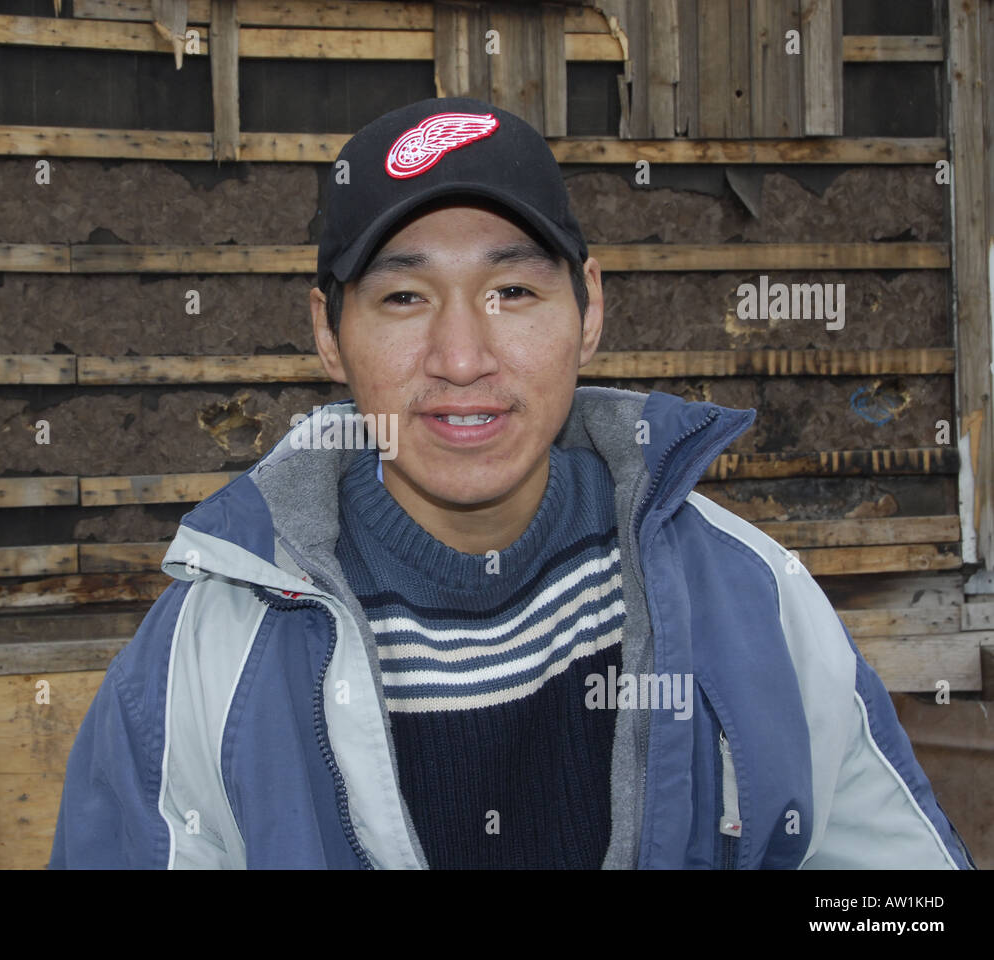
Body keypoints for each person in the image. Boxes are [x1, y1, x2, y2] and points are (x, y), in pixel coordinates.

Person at [49, 96, 975, 869]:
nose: (462, 359)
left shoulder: (749, 601)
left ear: (591, 308)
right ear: (329, 334)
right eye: (404, 297)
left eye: (515, 293)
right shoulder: (211, 653)